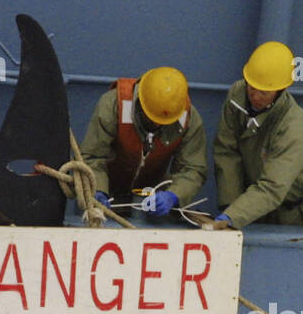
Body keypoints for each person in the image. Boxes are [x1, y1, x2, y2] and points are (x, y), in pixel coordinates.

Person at [211, 41, 303, 229]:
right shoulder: (237, 96)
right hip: (249, 202)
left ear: (280, 91)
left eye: (264, 92)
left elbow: (273, 187)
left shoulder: (295, 127)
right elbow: (226, 151)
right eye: (251, 87)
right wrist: (230, 208)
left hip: (289, 214)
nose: (255, 96)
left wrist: (234, 216)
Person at [78, 66, 207, 218]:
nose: (157, 124)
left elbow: (193, 169)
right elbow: (92, 157)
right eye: (151, 118)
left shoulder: (188, 118)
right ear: (139, 99)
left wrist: (173, 196)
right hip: (107, 194)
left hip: (151, 201)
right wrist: (98, 191)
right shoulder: (113, 105)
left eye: (163, 122)